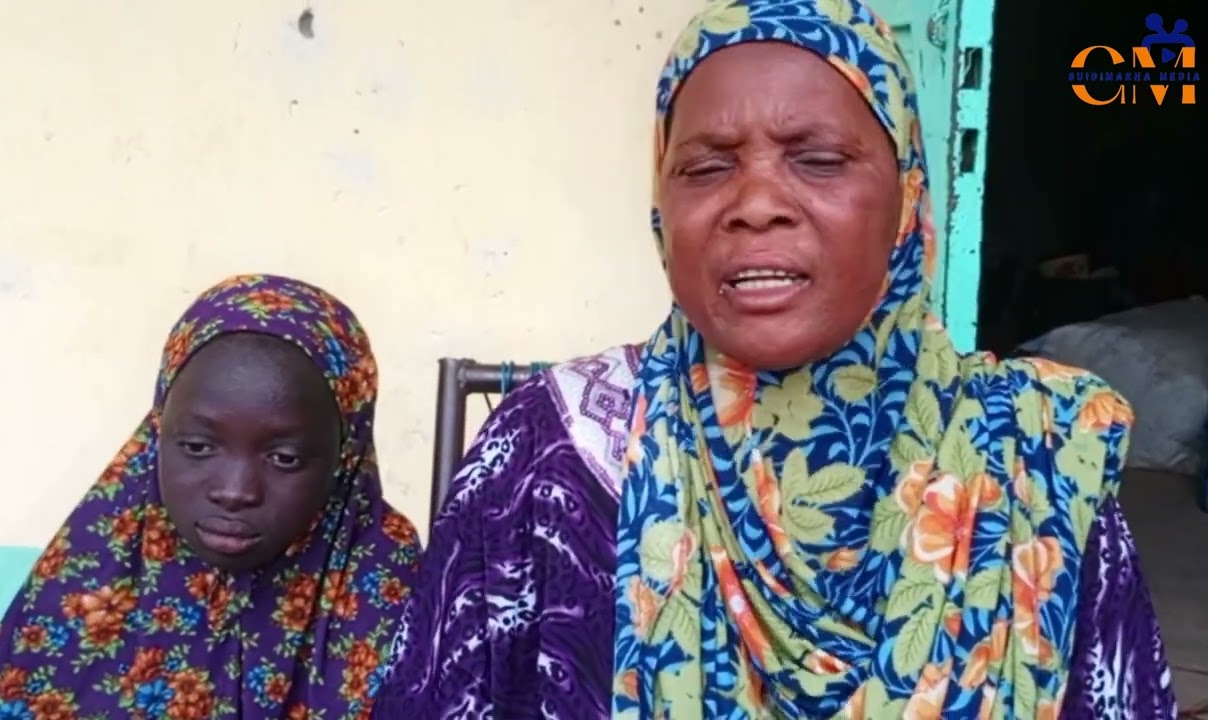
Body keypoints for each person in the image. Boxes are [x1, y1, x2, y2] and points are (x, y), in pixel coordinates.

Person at [372, 1, 1177, 718]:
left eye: (818, 159)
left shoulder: (1034, 462)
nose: (756, 203)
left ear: (905, 200)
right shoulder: (552, 458)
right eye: (706, 166)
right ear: (662, 207)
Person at [0, 274, 421, 720]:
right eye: (198, 448)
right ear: (158, 431)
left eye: (284, 458)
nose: (235, 491)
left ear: (345, 458)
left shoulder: (387, 585)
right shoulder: (90, 579)